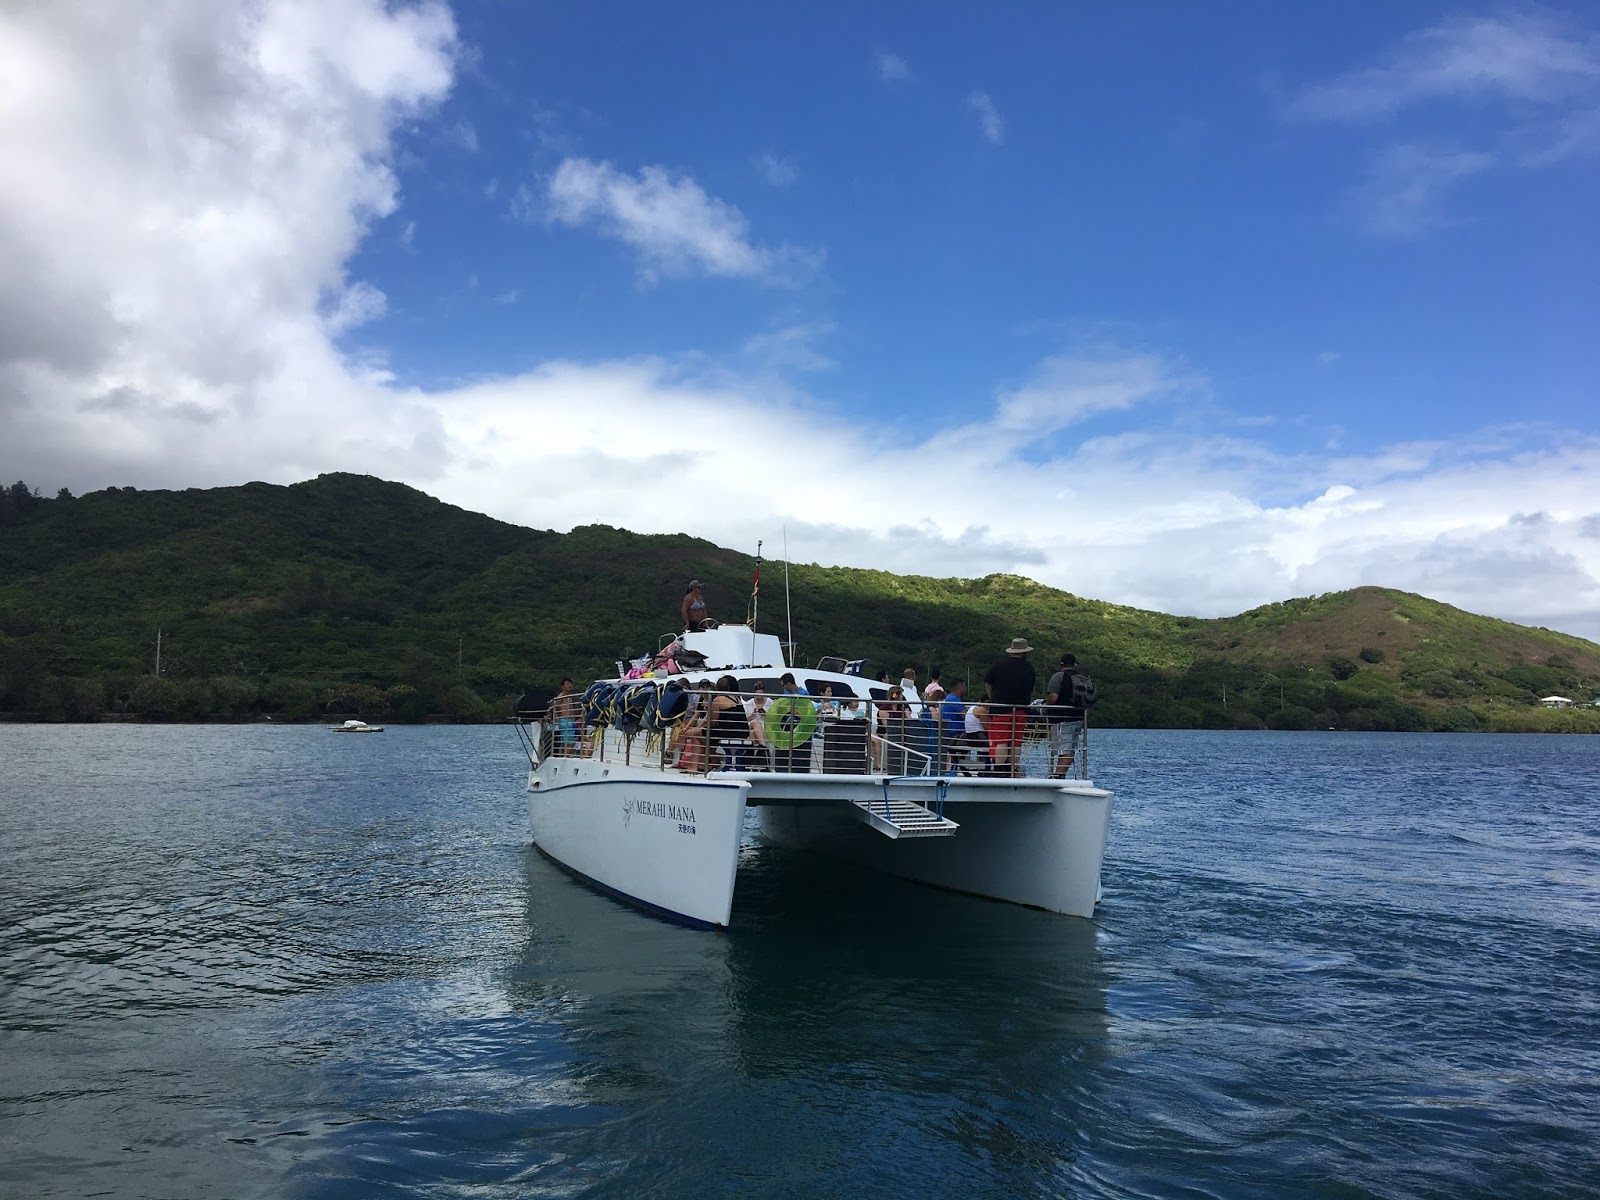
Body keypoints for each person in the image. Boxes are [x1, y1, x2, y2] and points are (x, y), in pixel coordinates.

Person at [983, 637, 1037, 777]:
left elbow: (988, 683)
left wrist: (992, 699)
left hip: (1000, 709)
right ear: (1024, 652)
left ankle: (999, 769)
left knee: (1001, 740)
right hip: (1021, 710)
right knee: (1016, 742)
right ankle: (1012, 769)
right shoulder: (1029, 668)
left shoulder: (998, 664)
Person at [1045, 653, 1093, 777]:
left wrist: (1046, 707)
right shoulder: (1081, 678)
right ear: (1074, 664)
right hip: (1078, 718)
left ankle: (1058, 775)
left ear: (1061, 664)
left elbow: (1053, 697)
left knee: (1064, 749)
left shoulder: (1058, 677)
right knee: (1069, 747)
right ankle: (1060, 774)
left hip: (1062, 718)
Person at [548, 677, 581, 756]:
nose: (570, 685)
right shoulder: (561, 696)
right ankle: (565, 757)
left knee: (564, 743)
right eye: (567, 684)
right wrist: (551, 716)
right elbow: (552, 706)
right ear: (563, 687)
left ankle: (561, 756)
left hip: (570, 721)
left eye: (570, 684)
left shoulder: (568, 697)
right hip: (565, 721)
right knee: (571, 743)